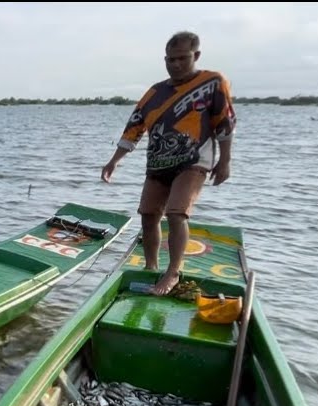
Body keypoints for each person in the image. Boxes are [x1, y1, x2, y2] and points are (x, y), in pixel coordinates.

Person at [101, 31, 236, 296]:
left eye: (182, 59)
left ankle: (173, 272)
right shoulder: (155, 92)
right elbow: (134, 128)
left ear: (195, 56)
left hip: (194, 161)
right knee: (148, 215)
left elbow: (225, 122)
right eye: (170, 60)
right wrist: (114, 161)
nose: (175, 64)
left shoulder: (213, 82)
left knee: (177, 213)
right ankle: (151, 266)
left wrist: (225, 160)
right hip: (158, 163)